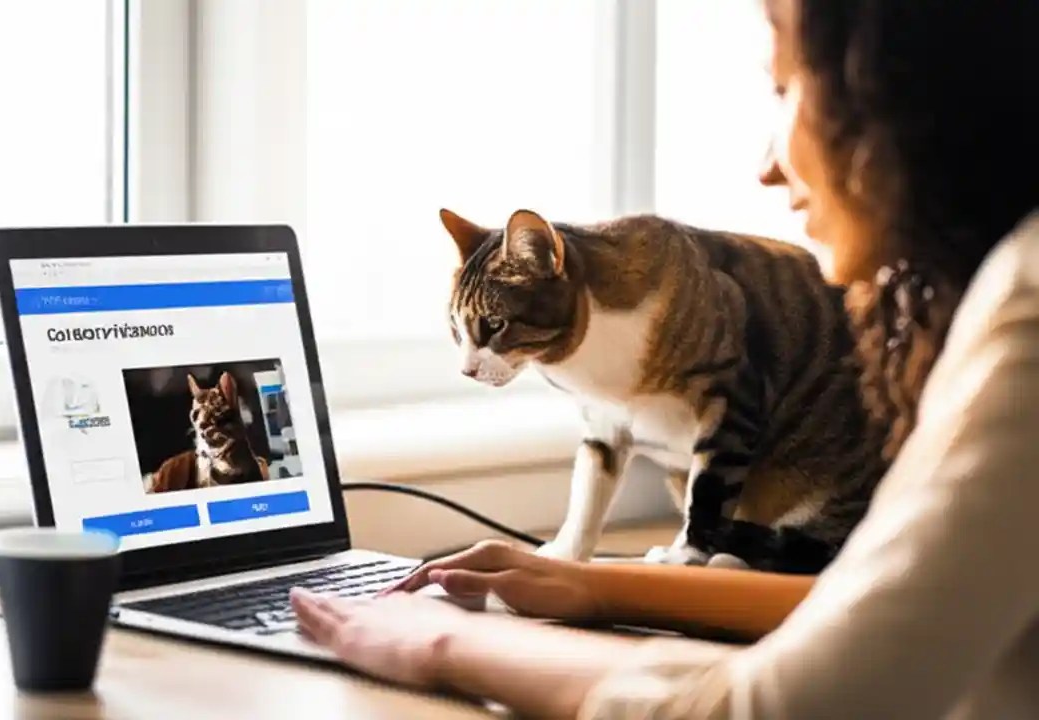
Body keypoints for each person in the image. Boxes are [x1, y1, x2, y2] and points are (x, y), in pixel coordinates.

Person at [289, 0, 1039, 717]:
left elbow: (781, 706)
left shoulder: (1027, 313)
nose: (767, 167)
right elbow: (869, 609)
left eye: (785, 89)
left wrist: (448, 645)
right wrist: (593, 584)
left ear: (899, 97)